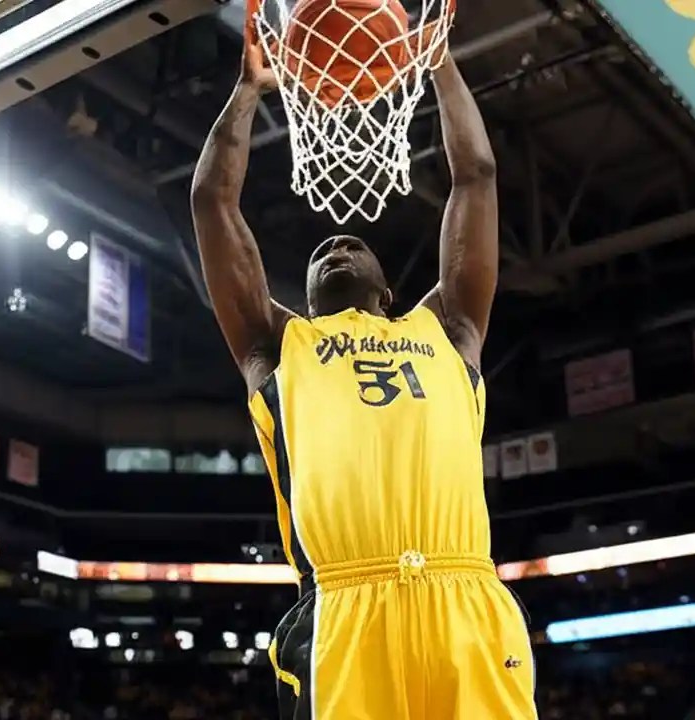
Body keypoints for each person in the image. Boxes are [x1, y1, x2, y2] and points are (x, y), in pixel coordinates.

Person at [190, 21, 536, 720]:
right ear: (306, 297)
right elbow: (211, 203)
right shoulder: (276, 347)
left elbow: (477, 175)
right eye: (322, 250)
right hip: (344, 615)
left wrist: (437, 64)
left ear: (389, 296)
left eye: (352, 244)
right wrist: (248, 90)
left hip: (465, 601)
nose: (336, 245)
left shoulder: (449, 329)